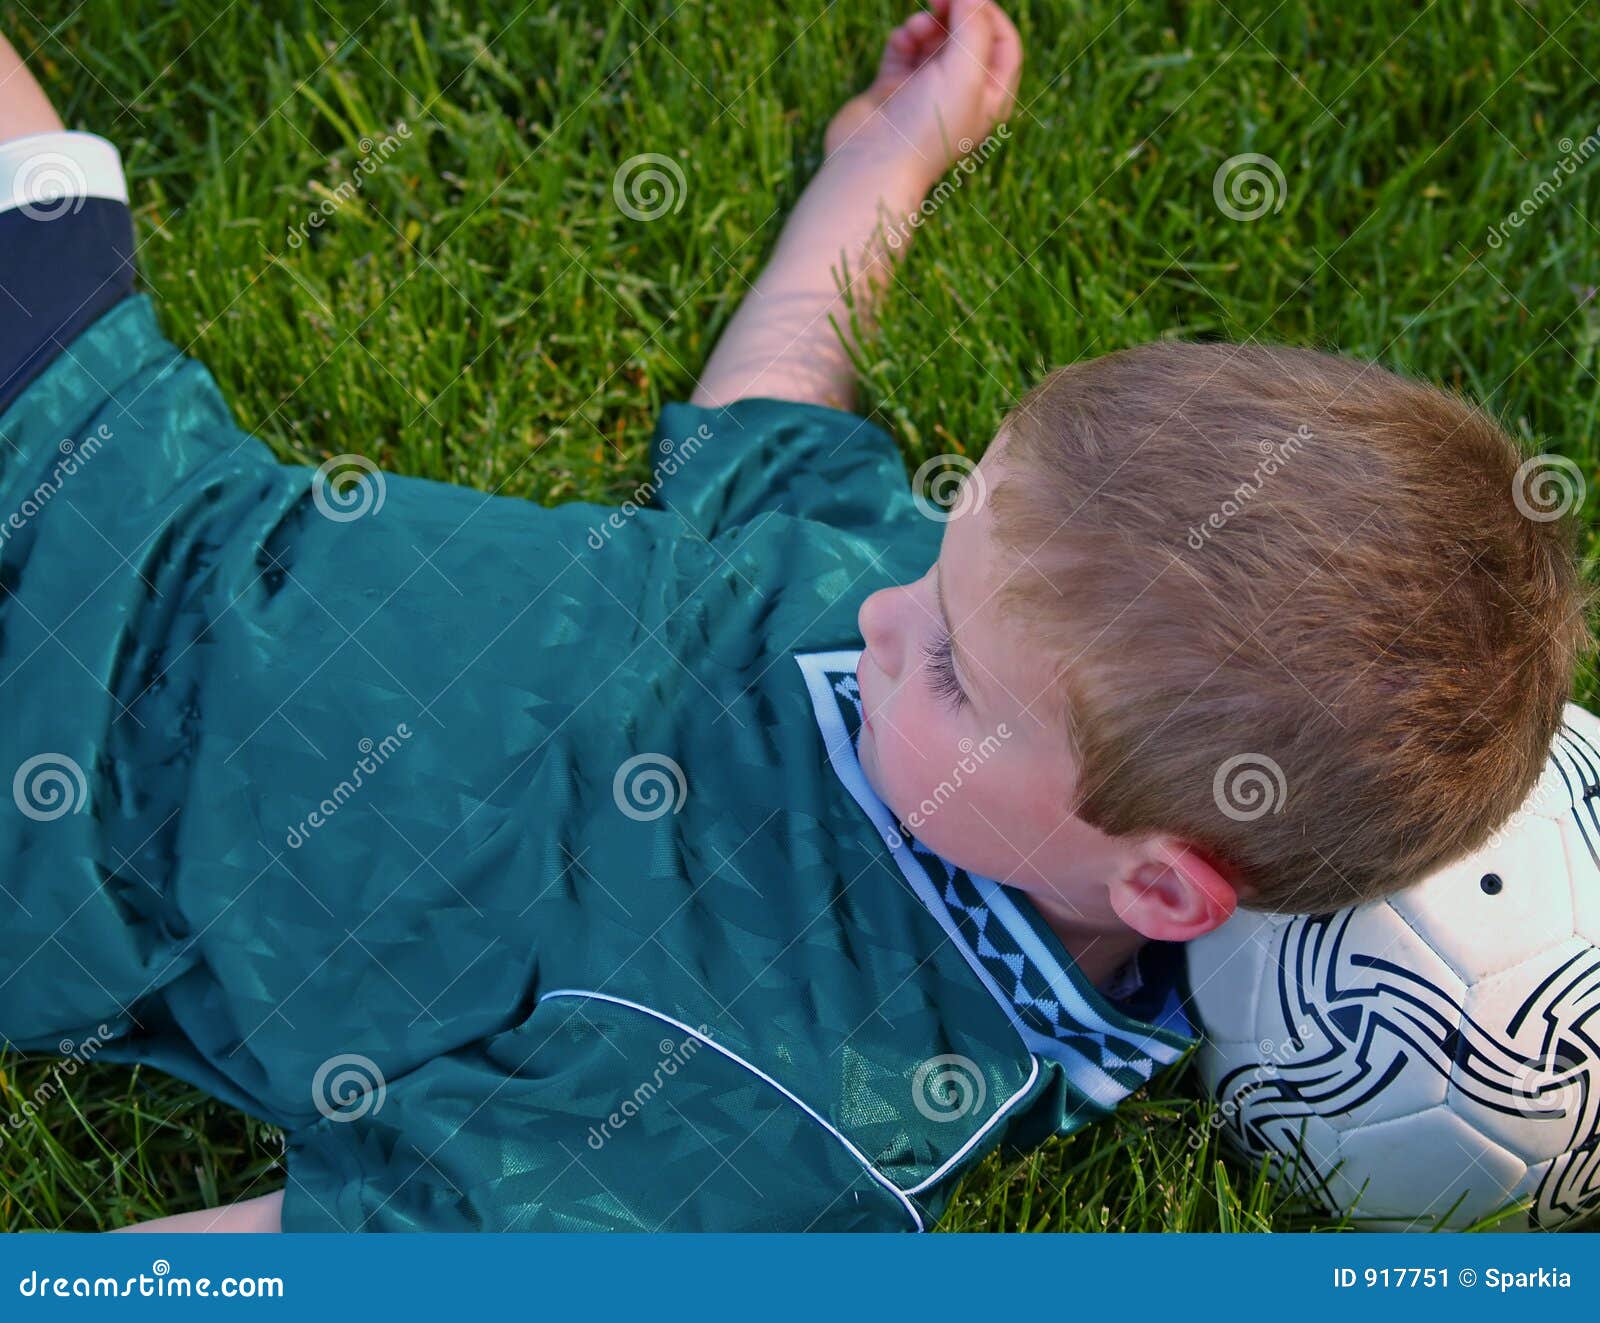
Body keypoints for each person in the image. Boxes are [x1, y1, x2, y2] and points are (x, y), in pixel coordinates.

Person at [0, 0, 1588, 1233]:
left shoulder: (810, 1099)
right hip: (129, 461)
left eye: (956, 672)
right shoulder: (959, 622)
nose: (886, 616)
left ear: (1163, 882)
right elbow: (774, 432)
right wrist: (882, 161)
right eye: (940, 559)